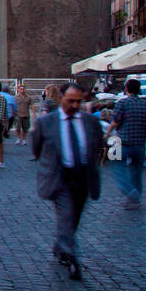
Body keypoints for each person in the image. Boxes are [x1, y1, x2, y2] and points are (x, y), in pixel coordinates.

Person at [31, 83, 103, 280]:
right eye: (70, 100)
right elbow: (36, 148)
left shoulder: (90, 122)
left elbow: (97, 146)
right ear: (61, 97)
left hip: (82, 177)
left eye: (78, 101)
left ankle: (61, 244)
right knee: (66, 214)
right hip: (59, 177)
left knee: (74, 217)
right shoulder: (47, 122)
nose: (74, 105)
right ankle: (71, 256)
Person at [106, 78, 146, 209]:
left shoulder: (122, 103)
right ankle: (135, 199)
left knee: (116, 166)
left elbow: (115, 121)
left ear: (126, 89)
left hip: (123, 142)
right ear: (139, 90)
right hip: (140, 144)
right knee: (136, 173)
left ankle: (131, 194)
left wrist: (107, 133)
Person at [14, 81, 33, 145]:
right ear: (18, 90)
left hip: (26, 115)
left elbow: (32, 105)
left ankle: (24, 139)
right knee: (17, 128)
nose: (22, 90)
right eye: (21, 89)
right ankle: (19, 139)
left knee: (25, 128)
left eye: (23, 89)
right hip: (18, 115)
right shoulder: (15, 97)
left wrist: (34, 113)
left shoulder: (29, 98)